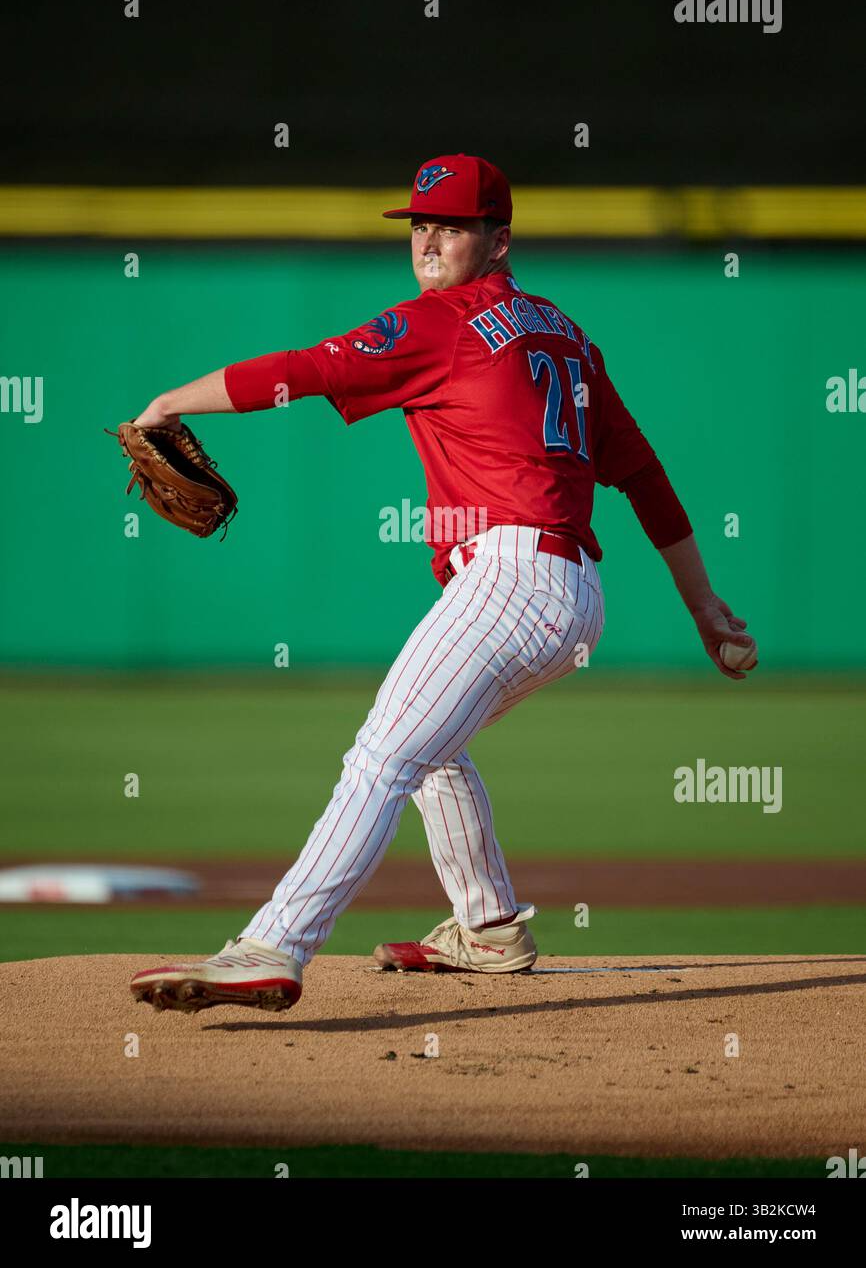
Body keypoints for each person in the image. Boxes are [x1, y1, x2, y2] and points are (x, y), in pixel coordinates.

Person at [129, 153, 754, 1014]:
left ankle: (273, 945)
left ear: (498, 241)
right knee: (431, 748)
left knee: (381, 756)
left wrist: (171, 402)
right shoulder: (565, 335)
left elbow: (305, 370)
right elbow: (644, 476)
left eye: (453, 226)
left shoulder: (443, 323)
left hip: (511, 578)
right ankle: (489, 926)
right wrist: (703, 605)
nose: (429, 240)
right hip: (569, 597)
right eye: (421, 224)